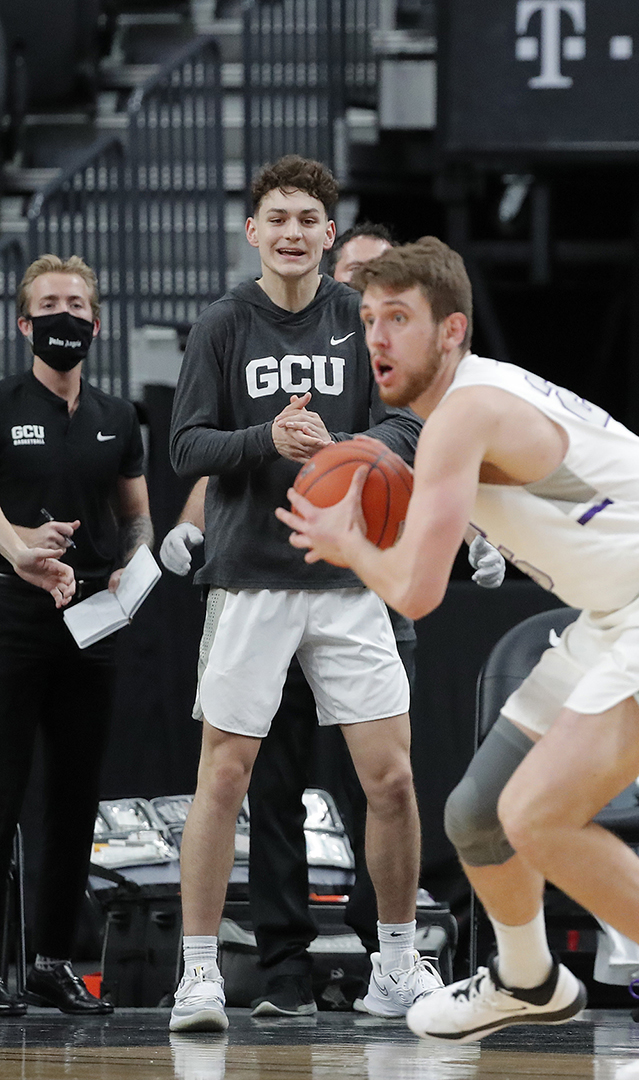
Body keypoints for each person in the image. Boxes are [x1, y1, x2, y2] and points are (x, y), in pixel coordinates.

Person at [278, 237, 639, 1080]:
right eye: (367, 320)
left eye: (398, 318)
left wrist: (349, 541)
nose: (378, 339)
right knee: (477, 814)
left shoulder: (464, 415)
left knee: (540, 816)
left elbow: (416, 593)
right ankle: (527, 977)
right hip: (621, 612)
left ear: (452, 332)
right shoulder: (461, 410)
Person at [158, 221, 505, 1018]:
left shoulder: (362, 317)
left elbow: (415, 423)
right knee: (227, 776)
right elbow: (185, 448)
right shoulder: (224, 322)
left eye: (306, 219)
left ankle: (393, 963)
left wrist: (344, 449)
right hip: (252, 575)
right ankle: (201, 972)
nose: (292, 232)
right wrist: (268, 436)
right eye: (276, 218)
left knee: (390, 778)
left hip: (352, 575)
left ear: (327, 229)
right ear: (253, 230)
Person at [0, 254, 149, 1017]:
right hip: (13, 617)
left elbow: (137, 516)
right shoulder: (2, 404)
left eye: (77, 304)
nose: (65, 316)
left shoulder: (117, 417)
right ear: (25, 324)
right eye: (49, 305)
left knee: (74, 796)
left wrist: (133, 567)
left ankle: (52, 961)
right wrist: (18, 546)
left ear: (96, 322)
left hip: (93, 624)